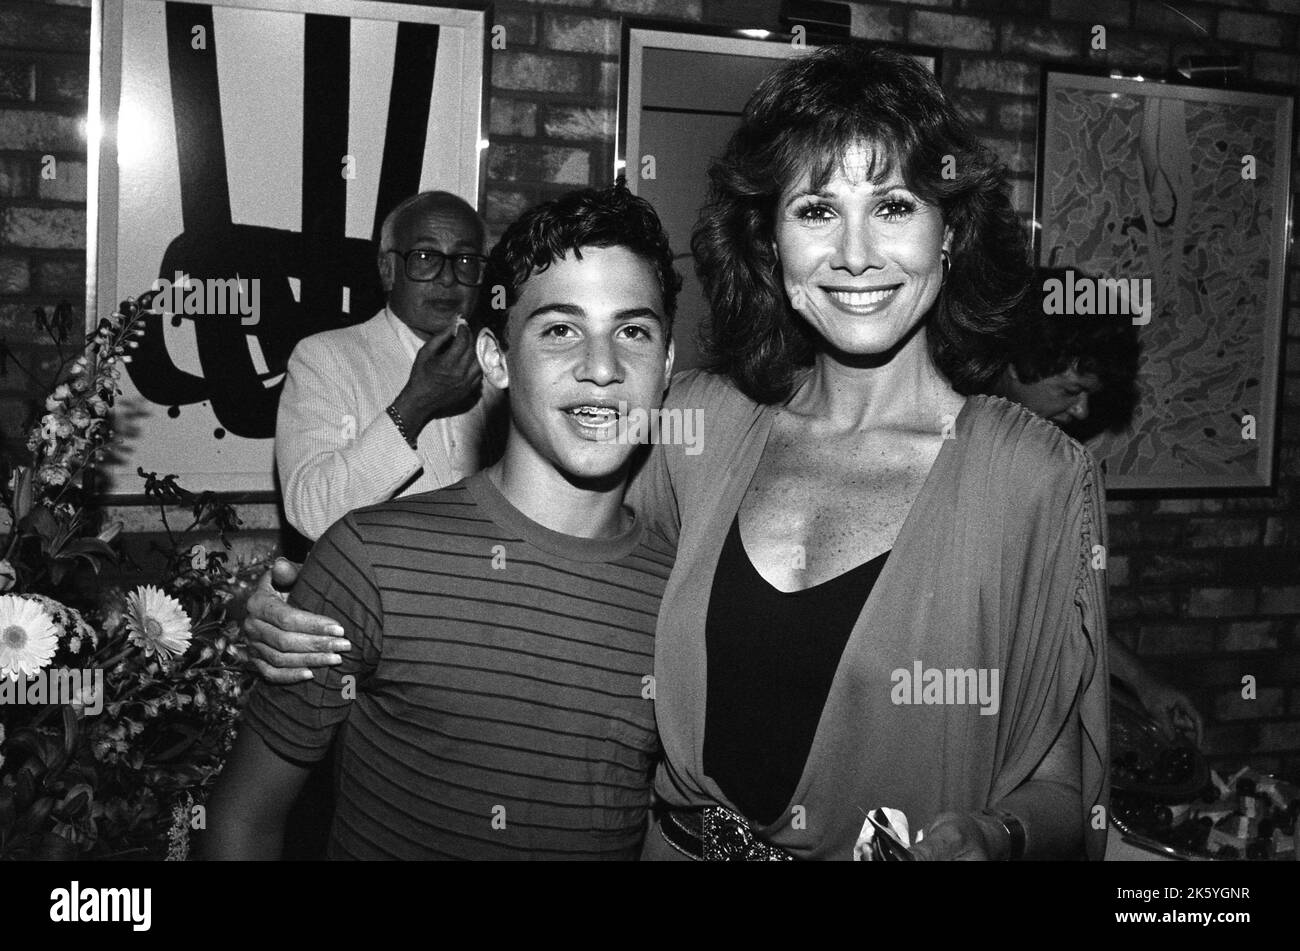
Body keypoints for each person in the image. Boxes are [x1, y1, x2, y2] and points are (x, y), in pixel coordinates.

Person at [245, 45, 1110, 861]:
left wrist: (996, 839)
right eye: (816, 209)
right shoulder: (700, 426)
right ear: (772, 243)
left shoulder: (1029, 478)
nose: (854, 254)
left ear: (949, 230)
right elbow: (546, 528)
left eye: (892, 205)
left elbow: (1065, 790)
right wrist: (316, 606)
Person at [205, 182, 680, 859]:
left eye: (631, 330)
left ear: (667, 363)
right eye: (560, 329)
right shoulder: (333, 368)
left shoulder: (680, 591)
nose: (600, 368)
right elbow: (244, 819)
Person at [989, 267, 1203, 746]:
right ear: (1016, 362)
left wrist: (1145, 684)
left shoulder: (1044, 460)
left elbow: (1063, 606)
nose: (1082, 413)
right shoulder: (943, 444)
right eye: (1070, 390)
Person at [275, 191, 498, 543]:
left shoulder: (503, 365)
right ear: (388, 270)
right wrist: (415, 404)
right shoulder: (327, 358)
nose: (447, 278)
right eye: (425, 257)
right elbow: (312, 512)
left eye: (466, 260)